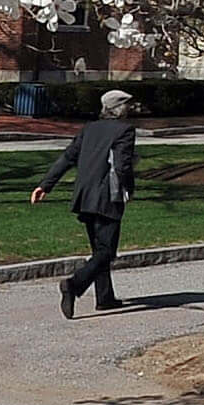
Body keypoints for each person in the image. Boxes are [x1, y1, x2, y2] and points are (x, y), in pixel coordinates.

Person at [27, 87, 140, 318]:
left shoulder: (89, 129)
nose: (129, 109)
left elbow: (68, 157)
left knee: (99, 249)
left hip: (85, 195)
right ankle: (74, 285)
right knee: (106, 251)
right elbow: (122, 165)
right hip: (108, 196)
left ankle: (105, 298)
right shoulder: (125, 130)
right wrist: (129, 189)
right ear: (119, 109)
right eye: (127, 105)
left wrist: (45, 185)